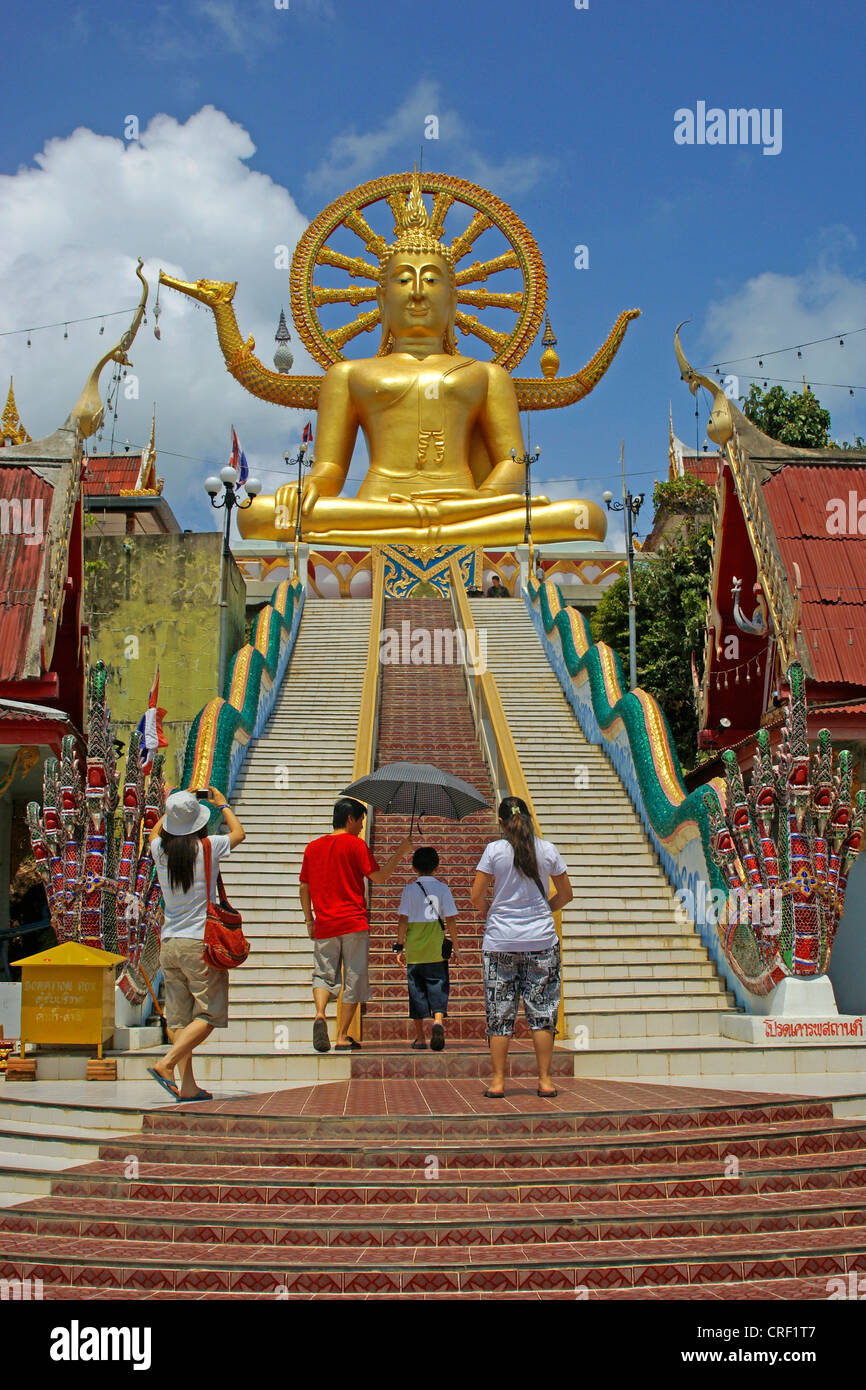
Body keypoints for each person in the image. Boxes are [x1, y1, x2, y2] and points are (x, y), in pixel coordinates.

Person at [147, 787, 246, 1101]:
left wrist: (177, 805)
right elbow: (239, 833)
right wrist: (221, 803)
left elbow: (153, 831)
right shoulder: (208, 846)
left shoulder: (159, 851)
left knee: (179, 1019)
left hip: (170, 945)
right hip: (199, 944)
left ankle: (188, 1086)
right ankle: (166, 1064)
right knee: (210, 1014)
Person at [470, 796, 573, 1099]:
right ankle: (544, 1080)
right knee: (542, 1012)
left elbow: (476, 895)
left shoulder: (494, 851)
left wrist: (490, 913)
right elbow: (566, 894)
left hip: (500, 941)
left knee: (500, 1012)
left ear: (500, 823)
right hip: (541, 941)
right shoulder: (548, 849)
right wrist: (544, 910)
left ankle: (499, 1081)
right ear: (528, 818)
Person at [301, 797, 412, 1053]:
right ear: (350, 819)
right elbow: (380, 877)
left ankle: (320, 1014)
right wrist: (400, 852)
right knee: (353, 978)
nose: (362, 825)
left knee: (323, 973)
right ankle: (341, 1036)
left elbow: (304, 887)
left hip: (325, 924)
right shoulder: (356, 845)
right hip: (353, 922)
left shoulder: (313, 847)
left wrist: (309, 920)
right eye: (361, 819)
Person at [394, 846, 458, 1052]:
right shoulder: (443, 888)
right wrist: (456, 946)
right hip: (436, 950)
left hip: (415, 951)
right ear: (437, 866)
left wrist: (399, 946)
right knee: (438, 986)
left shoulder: (409, 889)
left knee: (417, 993)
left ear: (413, 868)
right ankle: (438, 1021)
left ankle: (420, 1038)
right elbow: (451, 919)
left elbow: (403, 919)